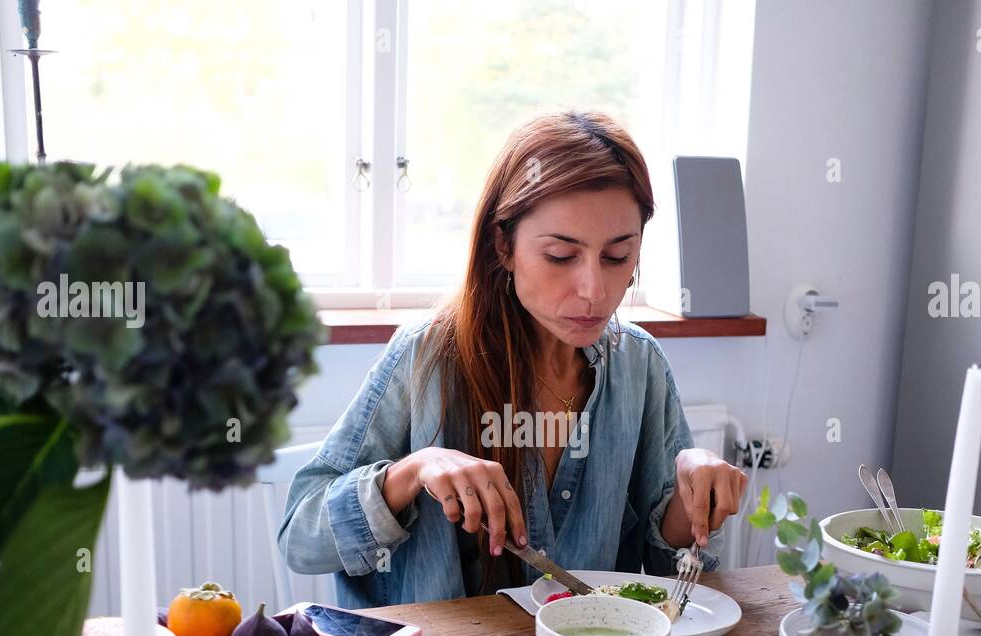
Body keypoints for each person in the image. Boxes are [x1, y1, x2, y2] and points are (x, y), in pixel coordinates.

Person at [277, 110, 748, 608]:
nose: (594, 290)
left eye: (617, 257)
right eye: (561, 256)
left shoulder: (638, 364)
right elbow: (300, 537)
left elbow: (664, 575)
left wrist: (692, 494)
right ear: (504, 245)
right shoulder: (427, 356)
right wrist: (415, 469)